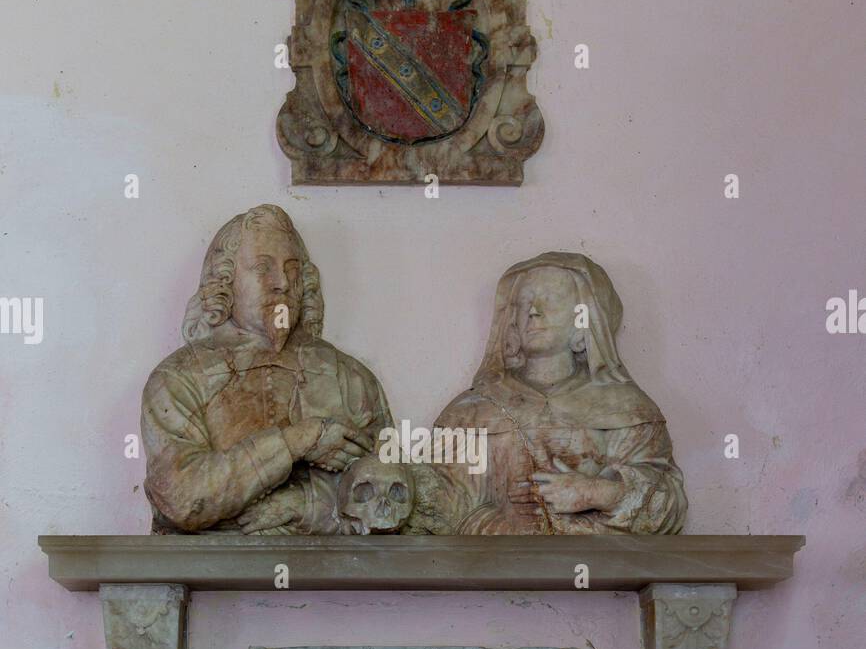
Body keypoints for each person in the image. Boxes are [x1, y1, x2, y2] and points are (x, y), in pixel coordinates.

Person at [141, 204, 391, 534]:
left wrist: (309, 506)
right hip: (213, 573)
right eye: (263, 268)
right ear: (225, 282)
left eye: (292, 270)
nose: (282, 284)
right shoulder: (180, 378)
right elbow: (182, 498)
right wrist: (295, 442)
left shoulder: (349, 378)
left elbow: (393, 488)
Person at [424, 251, 687, 534]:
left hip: (603, 571)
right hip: (497, 571)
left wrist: (597, 492)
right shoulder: (470, 412)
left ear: (584, 321)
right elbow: (438, 509)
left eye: (551, 300)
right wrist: (511, 526)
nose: (533, 311)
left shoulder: (627, 408)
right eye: (523, 303)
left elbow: (668, 508)